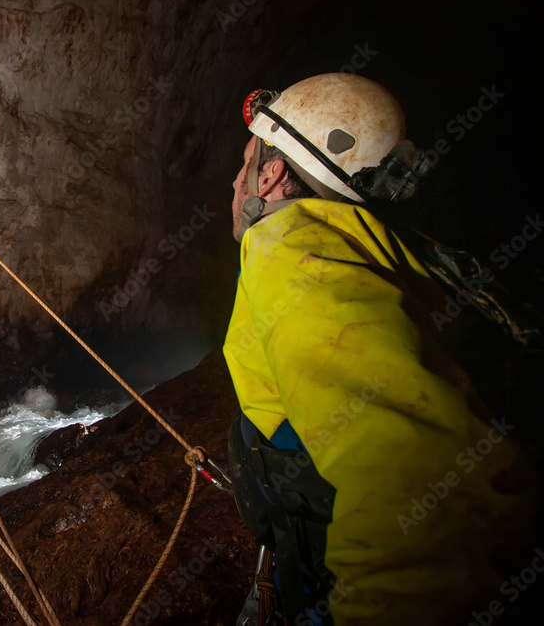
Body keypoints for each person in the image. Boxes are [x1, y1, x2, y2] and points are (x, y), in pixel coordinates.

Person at [222, 73, 536, 625]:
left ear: (270, 176)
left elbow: (423, 489)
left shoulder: (290, 249)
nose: (234, 179)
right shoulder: (372, 236)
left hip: (335, 573)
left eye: (247, 160)